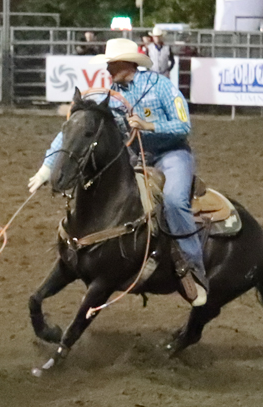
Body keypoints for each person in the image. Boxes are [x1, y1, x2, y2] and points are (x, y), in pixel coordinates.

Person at [27, 37, 208, 308]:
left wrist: (149, 126)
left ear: (127, 63)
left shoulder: (161, 87)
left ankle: (192, 267)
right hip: (135, 157)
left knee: (173, 200)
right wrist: (47, 167)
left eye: (111, 64)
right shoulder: (107, 95)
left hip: (171, 155)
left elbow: (183, 125)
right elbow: (76, 130)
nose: (108, 69)